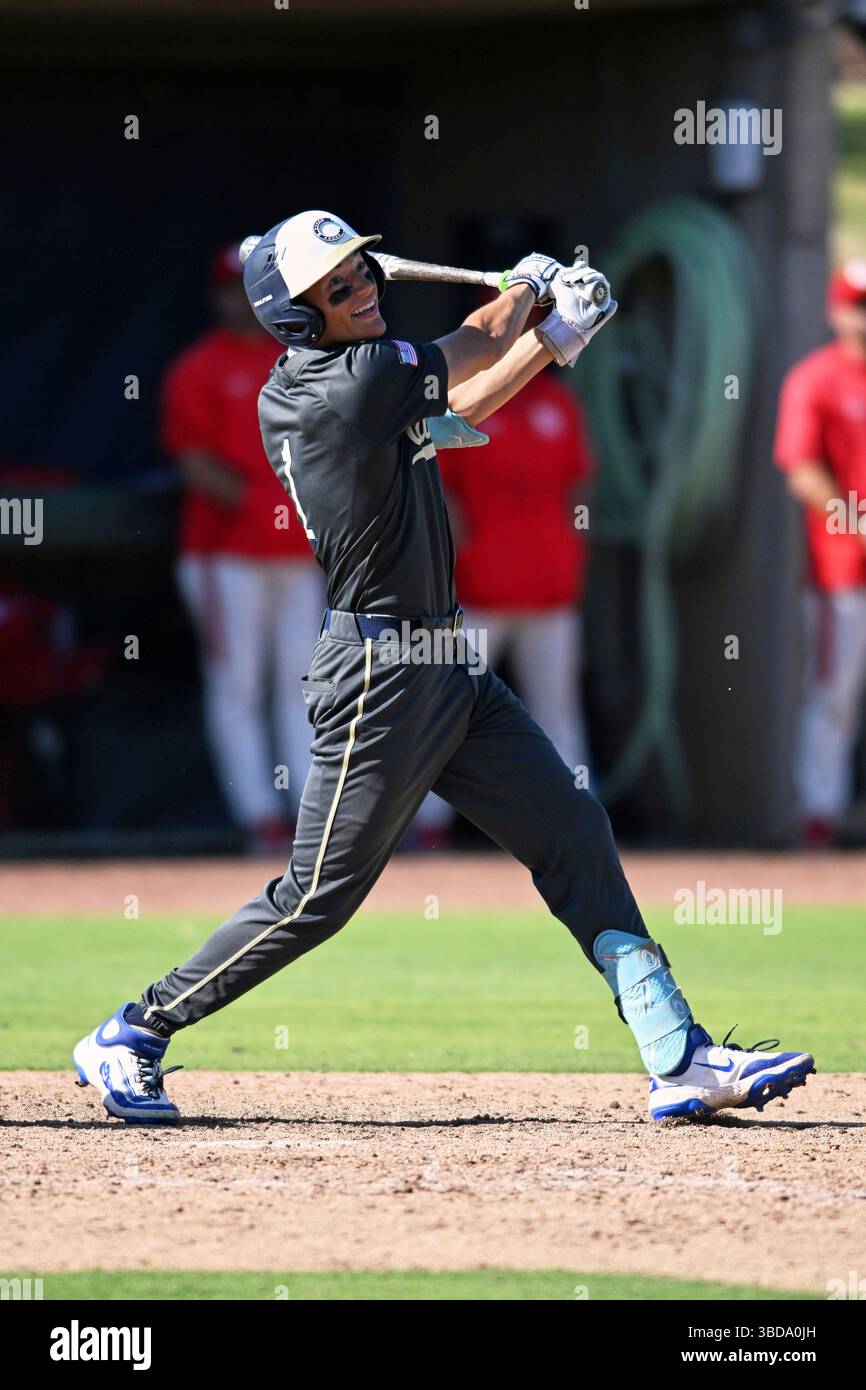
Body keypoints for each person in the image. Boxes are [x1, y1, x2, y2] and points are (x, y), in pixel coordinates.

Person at [73, 210, 814, 1124]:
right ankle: (135, 1030)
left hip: (443, 661)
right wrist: (532, 300)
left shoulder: (348, 383)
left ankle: (679, 1054)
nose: (361, 288)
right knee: (317, 897)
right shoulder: (340, 387)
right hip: (379, 675)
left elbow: (456, 409)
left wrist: (553, 335)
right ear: (300, 317)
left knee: (571, 829)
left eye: (358, 271)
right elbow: (470, 343)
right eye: (334, 287)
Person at [163, 242, 324, 853]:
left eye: (252, 288)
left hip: (295, 555)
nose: (243, 300)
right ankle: (258, 815)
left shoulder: (302, 360)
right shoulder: (198, 367)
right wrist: (266, 503)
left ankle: (307, 813)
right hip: (224, 555)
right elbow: (195, 463)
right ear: (217, 296)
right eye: (232, 289)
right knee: (238, 683)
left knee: (302, 682)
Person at [775, 260, 866, 847]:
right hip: (844, 570)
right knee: (834, 694)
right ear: (836, 309)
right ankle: (819, 819)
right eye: (857, 305)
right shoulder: (816, 378)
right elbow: (801, 470)